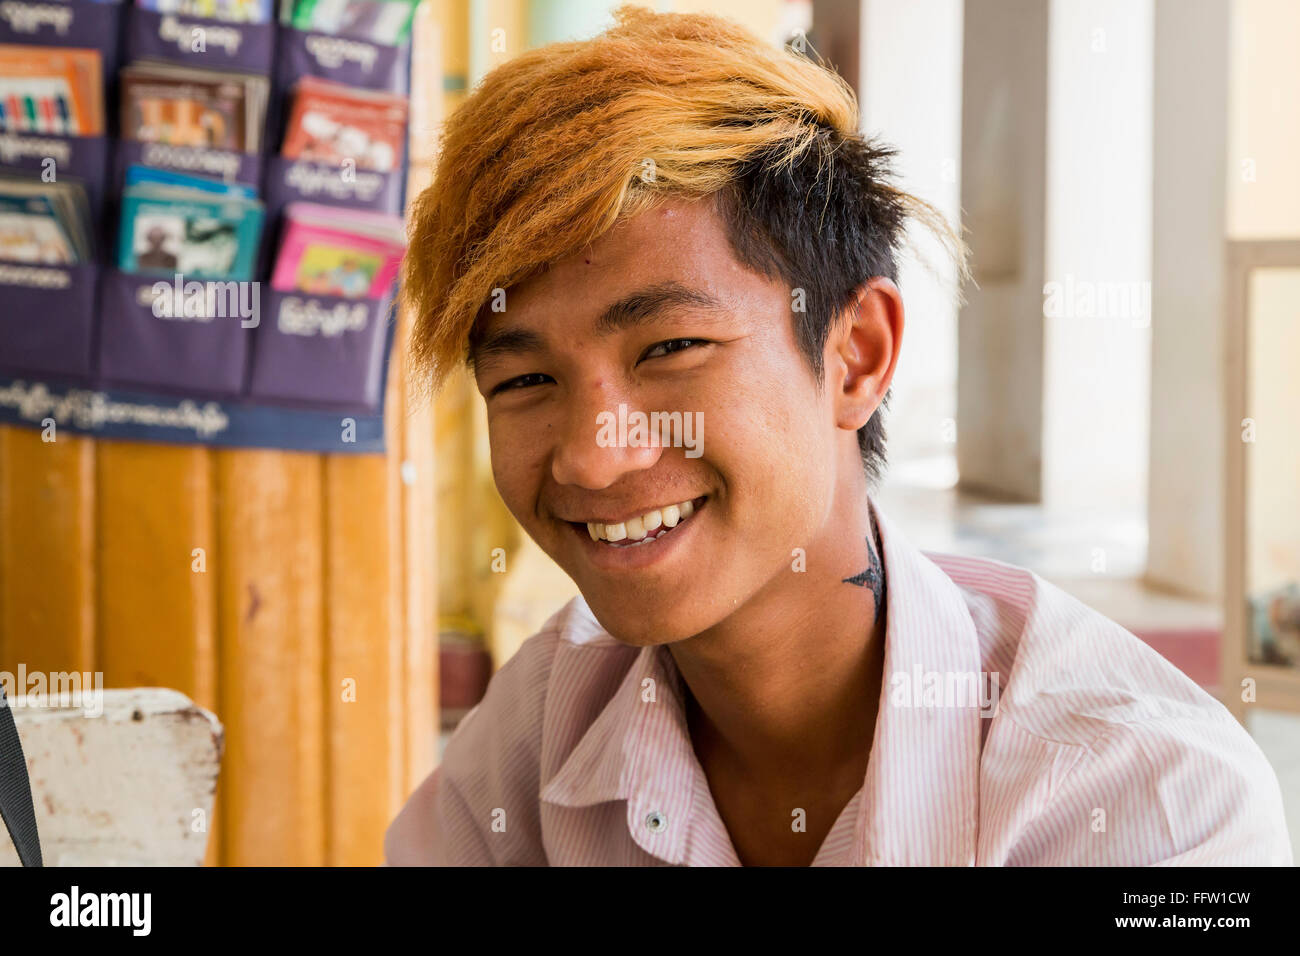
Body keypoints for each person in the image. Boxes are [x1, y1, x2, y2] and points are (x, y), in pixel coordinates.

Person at [385, 5, 1292, 866]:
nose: (591, 454)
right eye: (526, 380)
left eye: (670, 348)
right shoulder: (550, 714)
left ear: (856, 356)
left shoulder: (1150, 799)